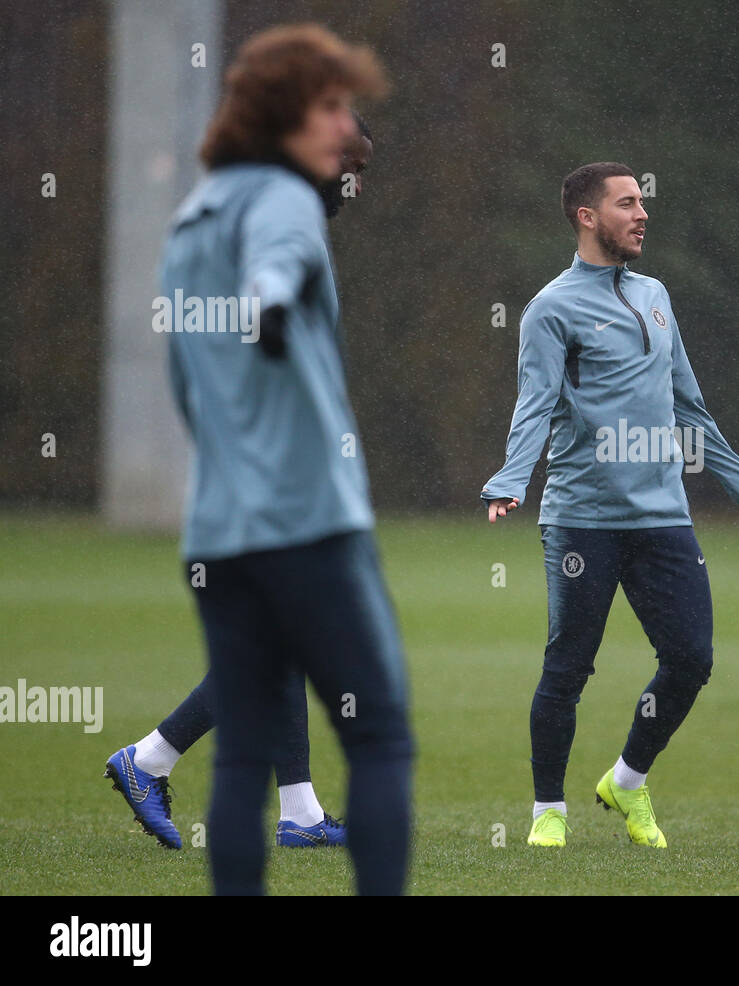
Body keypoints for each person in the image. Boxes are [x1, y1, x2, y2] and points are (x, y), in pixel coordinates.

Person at [158, 24, 412, 893]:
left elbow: (186, 390)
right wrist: (266, 304)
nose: (346, 128)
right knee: (377, 737)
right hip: (307, 523)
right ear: (281, 114)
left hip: (219, 533)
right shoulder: (284, 198)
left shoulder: (190, 219)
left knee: (240, 759)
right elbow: (281, 259)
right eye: (332, 105)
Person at [482, 162, 739, 849]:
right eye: (627, 202)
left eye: (642, 201)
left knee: (691, 659)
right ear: (587, 216)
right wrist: (511, 477)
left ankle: (627, 781)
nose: (642, 213)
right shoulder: (551, 309)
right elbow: (535, 404)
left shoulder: (655, 294)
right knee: (569, 666)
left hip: (664, 516)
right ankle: (547, 812)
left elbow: (686, 403)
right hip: (583, 519)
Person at [104, 116, 375, 852]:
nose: (353, 180)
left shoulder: (236, 209)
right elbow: (266, 299)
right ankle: (151, 758)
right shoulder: (280, 217)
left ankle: (298, 812)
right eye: (347, 161)